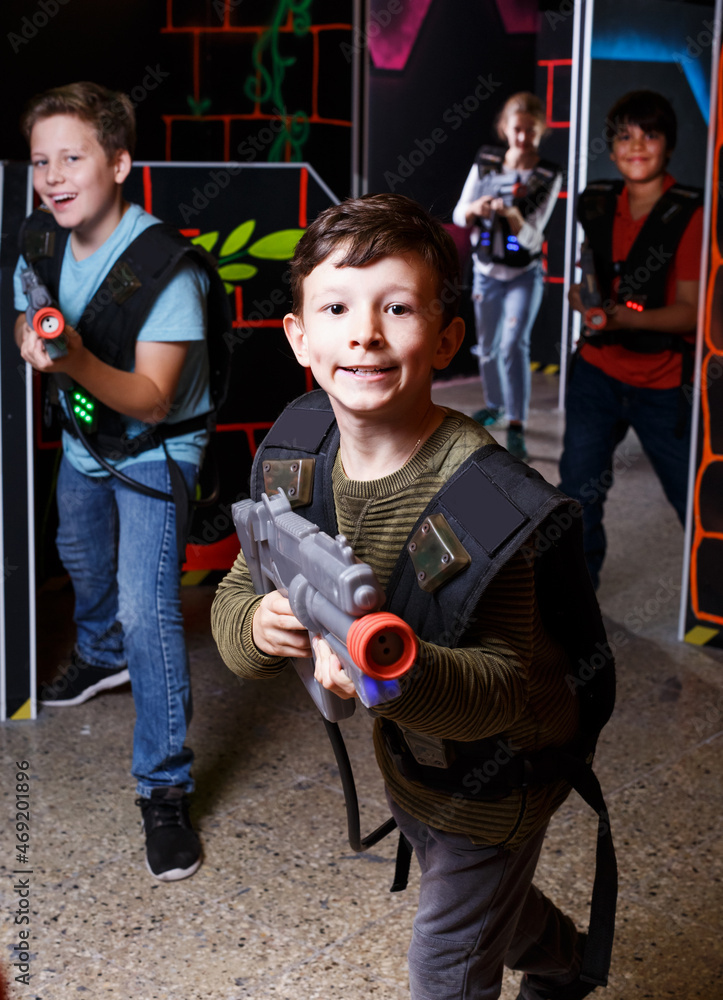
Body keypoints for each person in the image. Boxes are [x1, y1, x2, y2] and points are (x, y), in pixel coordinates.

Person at [211, 193, 614, 999]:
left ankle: (560, 959)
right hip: (415, 764)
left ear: (446, 337)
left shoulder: (481, 500)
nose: (363, 332)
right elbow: (236, 596)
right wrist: (263, 623)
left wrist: (388, 673)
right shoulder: (299, 451)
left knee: (446, 962)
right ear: (298, 337)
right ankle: (564, 959)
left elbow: (501, 688)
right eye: (335, 307)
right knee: (468, 896)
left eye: (396, 307)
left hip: (500, 774)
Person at [14, 82, 215, 881]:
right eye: (39, 160)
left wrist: (69, 360)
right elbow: (29, 306)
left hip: (156, 448)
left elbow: (153, 396)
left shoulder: (167, 271)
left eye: (73, 157)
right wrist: (32, 335)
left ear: (121, 163)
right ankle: (99, 655)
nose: (53, 176)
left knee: (145, 608)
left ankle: (164, 789)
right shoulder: (41, 236)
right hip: (87, 440)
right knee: (77, 549)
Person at [559, 90, 703, 590]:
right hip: (597, 374)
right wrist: (585, 302)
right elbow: (587, 282)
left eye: (649, 134)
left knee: (696, 499)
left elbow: (691, 311)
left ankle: (710, 600)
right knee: (577, 493)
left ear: (668, 144)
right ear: (611, 146)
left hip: (664, 384)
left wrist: (625, 321)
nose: (636, 146)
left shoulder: (691, 212)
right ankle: (576, 600)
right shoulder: (597, 201)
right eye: (624, 136)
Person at [452, 92, 563, 460]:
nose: (522, 138)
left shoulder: (548, 174)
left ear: (540, 131)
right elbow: (459, 214)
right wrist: (477, 208)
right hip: (486, 271)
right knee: (487, 348)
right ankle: (495, 405)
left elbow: (534, 236)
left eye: (530, 131)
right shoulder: (486, 162)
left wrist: (512, 214)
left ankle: (516, 423)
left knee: (515, 344)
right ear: (505, 128)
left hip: (523, 275)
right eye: (517, 129)